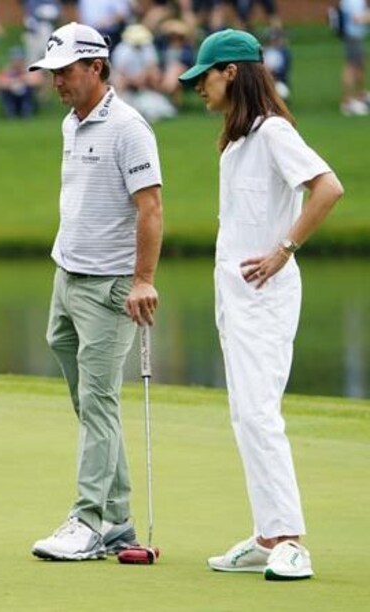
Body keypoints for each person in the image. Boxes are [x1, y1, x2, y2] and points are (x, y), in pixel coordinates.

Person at [178, 29, 344, 582]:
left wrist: (284, 249)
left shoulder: (273, 131)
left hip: (266, 294)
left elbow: (328, 187)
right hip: (234, 294)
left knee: (258, 412)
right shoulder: (236, 142)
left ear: (231, 72)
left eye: (203, 76)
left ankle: (291, 540)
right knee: (244, 413)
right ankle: (267, 534)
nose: (197, 87)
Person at [26, 21, 164, 561]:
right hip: (67, 275)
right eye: (51, 73)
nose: (56, 82)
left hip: (110, 287)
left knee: (99, 402)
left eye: (65, 72)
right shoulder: (70, 123)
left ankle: (86, 520)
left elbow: (150, 207)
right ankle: (119, 520)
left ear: (96, 68)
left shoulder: (130, 128)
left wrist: (143, 280)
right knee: (89, 402)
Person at [339, 0, 368, 116]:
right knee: (351, 67)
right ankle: (347, 102)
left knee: (360, 65)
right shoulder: (351, 2)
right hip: (352, 36)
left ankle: (359, 96)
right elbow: (356, 19)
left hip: (356, 36)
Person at [0, 46, 41, 118]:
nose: (17, 62)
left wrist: (23, 80)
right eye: (15, 60)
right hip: (10, 94)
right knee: (7, 95)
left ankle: (26, 111)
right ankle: (10, 112)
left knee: (28, 92)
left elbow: (37, 81)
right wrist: (12, 82)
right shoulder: (6, 70)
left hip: (25, 94)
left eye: (19, 59)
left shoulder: (29, 69)